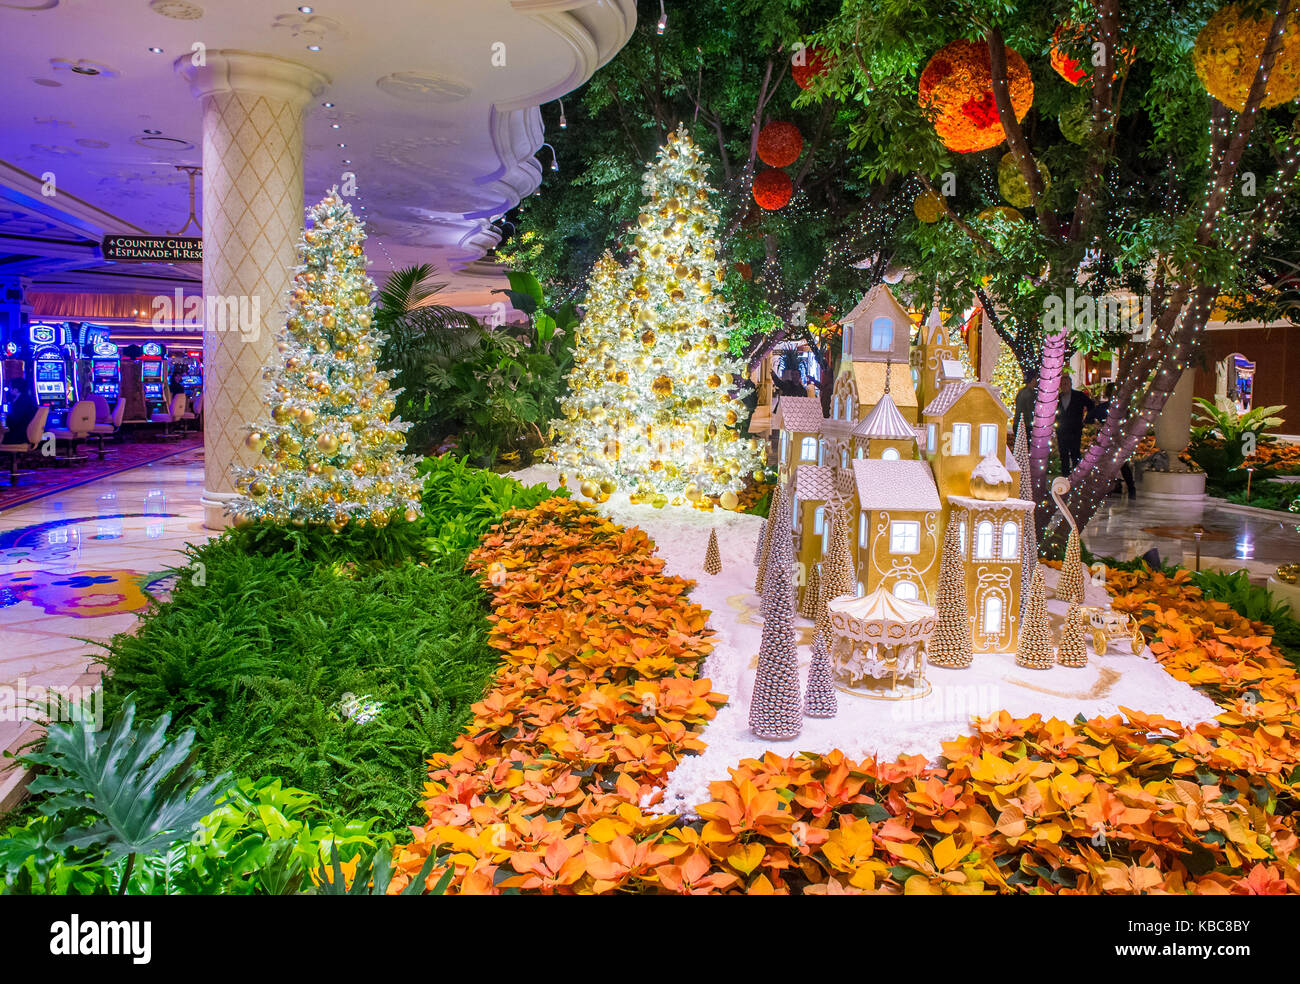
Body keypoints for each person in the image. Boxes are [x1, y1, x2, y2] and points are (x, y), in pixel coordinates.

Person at [1094, 382, 1137, 499]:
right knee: (1115, 464)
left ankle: (1125, 488)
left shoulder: (1121, 408)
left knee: (1118, 464)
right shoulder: (1108, 408)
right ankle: (1116, 489)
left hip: (1115, 439)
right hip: (1110, 439)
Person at [1056, 373, 1096, 474]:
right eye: (1062, 384)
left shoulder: (1079, 396)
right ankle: (1065, 476)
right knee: (1063, 455)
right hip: (1062, 430)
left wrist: (1087, 420)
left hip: (1075, 429)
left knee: (1075, 454)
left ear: (1070, 384)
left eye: (1066, 383)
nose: (1064, 386)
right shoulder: (1058, 398)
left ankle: (1076, 476)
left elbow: (1091, 405)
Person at [1011, 371, 1038, 448]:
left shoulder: (1021, 392)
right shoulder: (1030, 394)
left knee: (1020, 448)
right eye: (1035, 379)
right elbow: (1031, 411)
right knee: (1026, 449)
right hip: (1026, 426)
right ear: (1033, 380)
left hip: (1017, 424)